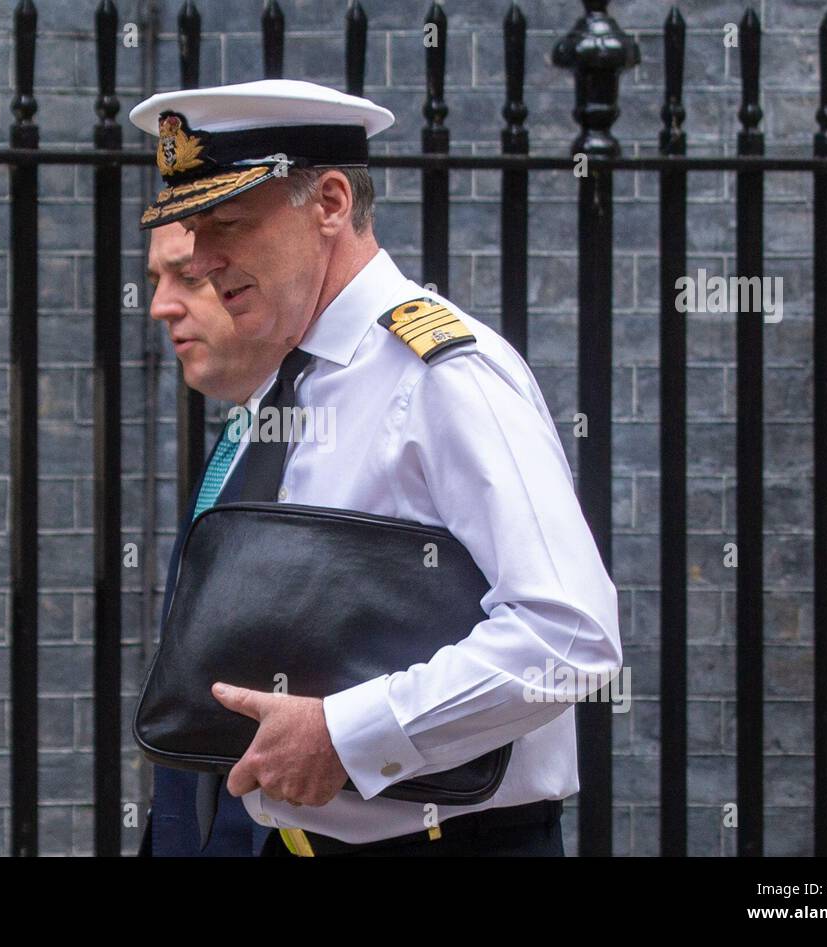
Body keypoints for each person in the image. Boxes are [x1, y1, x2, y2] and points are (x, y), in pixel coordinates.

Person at [129, 79, 623, 856]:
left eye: (226, 221)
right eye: (193, 227)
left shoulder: (441, 374)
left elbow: (570, 635)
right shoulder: (292, 377)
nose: (203, 256)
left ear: (329, 202)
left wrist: (344, 734)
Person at [138, 221, 291, 856]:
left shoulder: (333, 431)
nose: (159, 306)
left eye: (190, 277)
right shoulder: (242, 432)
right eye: (156, 280)